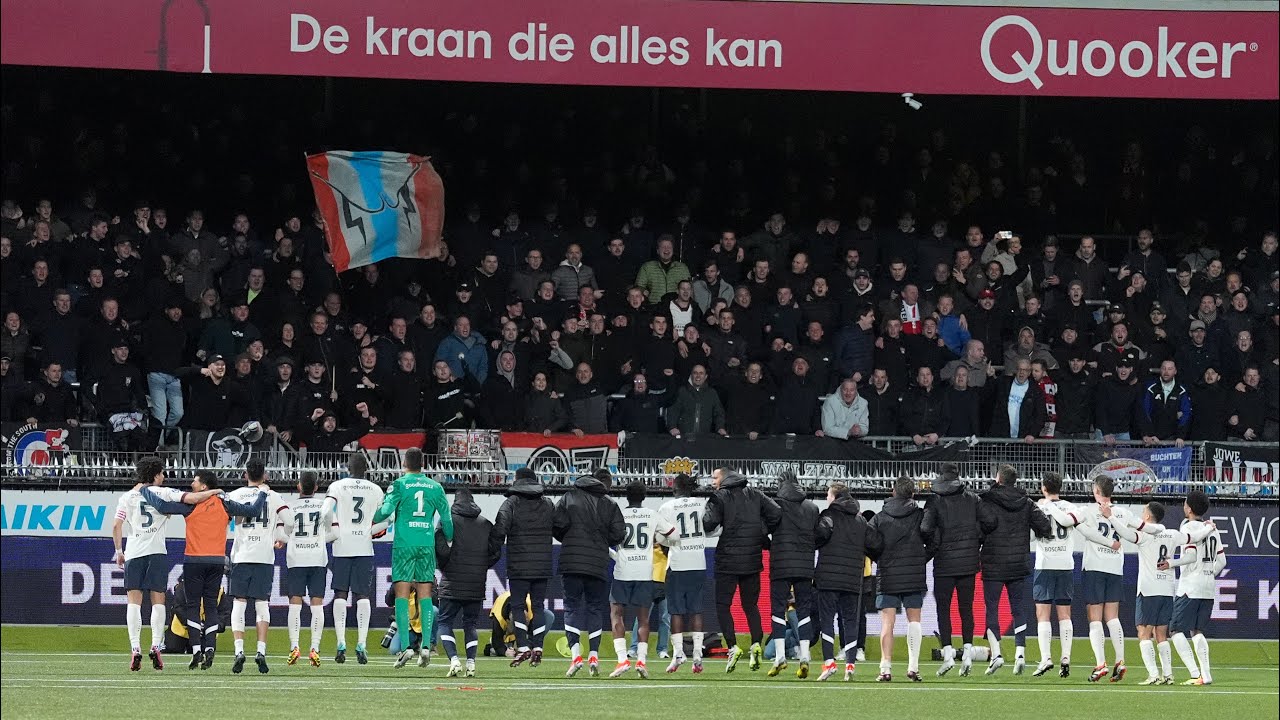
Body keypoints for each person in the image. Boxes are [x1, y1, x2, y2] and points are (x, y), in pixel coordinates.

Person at [140, 469, 266, 670]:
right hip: (216, 561)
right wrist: (263, 493)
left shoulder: (192, 505)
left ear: (204, 486)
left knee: (192, 606)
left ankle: (196, 650)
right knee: (211, 606)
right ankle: (210, 648)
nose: (192, 484)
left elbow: (162, 505)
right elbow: (253, 511)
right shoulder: (225, 504)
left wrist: (144, 490)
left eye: (195, 481)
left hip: (193, 560)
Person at [113, 456, 221, 671]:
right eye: (162, 473)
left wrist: (119, 552)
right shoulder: (163, 492)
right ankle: (155, 645)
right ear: (155, 475)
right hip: (157, 553)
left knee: (133, 601)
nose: (163, 477)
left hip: (134, 552)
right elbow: (192, 498)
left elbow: (116, 525)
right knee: (158, 600)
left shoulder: (127, 497)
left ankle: (135, 647)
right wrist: (214, 491)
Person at [1108, 501, 1217, 685]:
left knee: (1143, 632)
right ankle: (1168, 674)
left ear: (1147, 516)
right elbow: (1193, 537)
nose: (1142, 514)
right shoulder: (1173, 534)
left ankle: (1153, 675)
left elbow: (1125, 533)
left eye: (1143, 511)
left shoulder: (1144, 535)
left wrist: (1110, 517)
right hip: (1167, 590)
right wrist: (1208, 528)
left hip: (1148, 590)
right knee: (1161, 633)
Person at [1039, 475, 1131, 682]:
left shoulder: (1087, 510)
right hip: (1116, 568)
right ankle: (1120, 660)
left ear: (1096, 491)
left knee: (1095, 618)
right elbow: (1138, 529)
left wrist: (1048, 505)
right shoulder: (1122, 513)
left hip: (1095, 568)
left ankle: (1101, 664)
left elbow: (1072, 525)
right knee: (1113, 617)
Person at [375, 447, 454, 669]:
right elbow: (446, 519)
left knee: (401, 594)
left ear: (404, 463)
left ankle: (406, 648)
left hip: (404, 545)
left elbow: (385, 511)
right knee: (425, 595)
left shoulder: (399, 484)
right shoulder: (435, 487)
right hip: (426, 544)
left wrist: (373, 517)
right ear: (423, 464)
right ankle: (426, 646)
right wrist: (449, 538)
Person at [703, 467, 782, 673]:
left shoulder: (719, 497)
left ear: (725, 478)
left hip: (727, 560)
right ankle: (756, 643)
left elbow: (708, 523)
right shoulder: (755, 494)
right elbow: (776, 512)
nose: (712, 482)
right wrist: (761, 530)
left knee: (723, 605)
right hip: (752, 560)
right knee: (751, 605)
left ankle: (732, 646)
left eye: (715, 478)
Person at [977, 465, 1053, 675]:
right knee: (1018, 608)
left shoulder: (986, 501)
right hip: (1018, 562)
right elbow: (1045, 526)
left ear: (998, 479)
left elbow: (979, 530)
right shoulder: (1026, 502)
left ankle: (996, 654)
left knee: (992, 608)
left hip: (993, 562)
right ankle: (1020, 653)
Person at [556, 469, 626, 678]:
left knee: (571, 607)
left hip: (571, 560)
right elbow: (619, 534)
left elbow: (557, 525)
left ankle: (576, 656)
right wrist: (602, 541)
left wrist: (569, 538)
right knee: (595, 608)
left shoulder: (568, 497)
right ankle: (594, 656)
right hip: (597, 562)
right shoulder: (610, 504)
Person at [814, 482, 882, 682]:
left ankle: (829, 663)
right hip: (853, 579)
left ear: (834, 497)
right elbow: (874, 544)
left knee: (827, 620)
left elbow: (819, 536)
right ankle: (850, 665)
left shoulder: (828, 516)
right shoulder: (860, 521)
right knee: (851, 621)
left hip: (828, 578)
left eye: (828, 495)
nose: (827, 498)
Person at [224, 459, 288, 675]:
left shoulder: (235, 495)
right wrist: (280, 537)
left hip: (241, 555)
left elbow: (224, 521)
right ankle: (261, 651)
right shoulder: (273, 496)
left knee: (239, 603)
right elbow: (289, 521)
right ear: (265, 475)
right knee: (262, 605)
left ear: (245, 475)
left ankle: (239, 651)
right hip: (264, 556)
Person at [324, 454, 386, 665]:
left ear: (348, 468)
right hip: (364, 547)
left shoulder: (337, 486)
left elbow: (326, 510)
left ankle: (341, 642)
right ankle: (361, 643)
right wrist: (370, 532)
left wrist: (331, 530)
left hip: (342, 545)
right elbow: (388, 518)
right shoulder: (375, 489)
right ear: (366, 469)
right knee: (363, 595)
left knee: (340, 593)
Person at [921, 462, 982, 677]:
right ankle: (967, 653)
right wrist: (975, 541)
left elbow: (925, 527)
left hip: (944, 563)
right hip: (968, 563)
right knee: (966, 609)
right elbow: (988, 522)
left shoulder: (935, 500)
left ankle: (948, 654)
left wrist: (934, 541)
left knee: (943, 609)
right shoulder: (973, 498)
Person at [608, 482, 673, 679]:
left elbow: (604, 541)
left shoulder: (618, 514)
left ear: (626, 496)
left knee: (616, 614)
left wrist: (616, 556)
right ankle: (642, 661)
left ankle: (622, 659)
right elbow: (674, 534)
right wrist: (660, 540)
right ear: (644, 497)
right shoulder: (652, 515)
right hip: (645, 574)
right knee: (644, 618)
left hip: (623, 573)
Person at [493, 467, 556, 666]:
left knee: (518, 606)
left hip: (518, 564)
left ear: (517, 480)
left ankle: (523, 646)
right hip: (542, 564)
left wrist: (491, 551)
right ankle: (538, 647)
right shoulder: (547, 503)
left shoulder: (511, 503)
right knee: (538, 606)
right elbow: (560, 527)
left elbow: (500, 529)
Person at [435, 487, 500, 678]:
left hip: (452, 581)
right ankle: (471, 663)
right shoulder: (486, 524)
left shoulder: (447, 521)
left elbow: (440, 549)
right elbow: (495, 552)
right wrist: (481, 566)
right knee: (470, 624)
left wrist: (445, 566)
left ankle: (454, 660)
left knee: (444, 621)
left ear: (455, 502)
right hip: (476, 583)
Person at [869, 476, 928, 682]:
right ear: (913, 494)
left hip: (888, 574)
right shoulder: (920, 515)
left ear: (893, 491)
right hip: (913, 572)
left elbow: (870, 542)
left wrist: (880, 558)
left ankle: (885, 668)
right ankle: (913, 667)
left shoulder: (880, 517)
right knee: (915, 620)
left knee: (887, 622)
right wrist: (923, 557)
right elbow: (932, 536)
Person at [1165, 490, 1227, 685]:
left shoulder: (1188, 527)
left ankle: (1194, 673)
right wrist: (1207, 573)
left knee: (1175, 629)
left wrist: (1170, 564)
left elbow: (1190, 556)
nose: (1183, 506)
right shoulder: (1213, 529)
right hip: (1208, 586)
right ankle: (1206, 675)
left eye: (1185, 503)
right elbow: (1222, 561)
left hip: (1190, 586)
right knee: (1197, 630)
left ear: (1189, 508)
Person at [765, 471, 819, 678]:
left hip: (781, 564)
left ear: (780, 485)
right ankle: (804, 656)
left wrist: (769, 545)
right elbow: (818, 534)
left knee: (778, 611)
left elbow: (764, 529)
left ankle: (780, 657)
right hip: (805, 566)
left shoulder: (775, 506)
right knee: (804, 611)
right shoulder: (812, 508)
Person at [656, 473, 709, 674]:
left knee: (676, 611)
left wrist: (672, 542)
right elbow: (712, 528)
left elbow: (660, 537)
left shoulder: (667, 507)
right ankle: (697, 653)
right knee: (696, 610)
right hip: (698, 562)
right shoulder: (702, 505)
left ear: (675, 488)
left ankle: (678, 654)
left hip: (677, 564)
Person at [276, 470, 330, 668]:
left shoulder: (289, 506)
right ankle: (315, 647)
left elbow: (280, 534)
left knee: (295, 603)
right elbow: (334, 532)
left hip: (296, 558)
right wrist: (320, 540)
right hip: (317, 558)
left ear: (298, 486)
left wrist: (291, 541)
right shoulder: (324, 505)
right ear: (316, 487)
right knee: (317, 604)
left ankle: (294, 646)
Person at [1031, 472, 1079, 678]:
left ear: (1043, 488)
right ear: (1061, 487)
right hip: (1065, 565)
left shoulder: (1038, 507)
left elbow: (1031, 537)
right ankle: (1065, 657)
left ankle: (1046, 658)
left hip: (1045, 565)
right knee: (1065, 614)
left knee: (1043, 614)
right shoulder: (1071, 507)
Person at [1139, 360, 1192, 444]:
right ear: (1160, 370)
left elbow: (1186, 413)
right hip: (1152, 439)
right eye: (1164, 368)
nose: (1166, 372)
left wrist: (1180, 436)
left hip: (1173, 439)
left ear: (1175, 371)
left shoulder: (1181, 390)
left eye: (1170, 369)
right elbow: (1144, 412)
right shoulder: (1150, 388)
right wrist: (1148, 434)